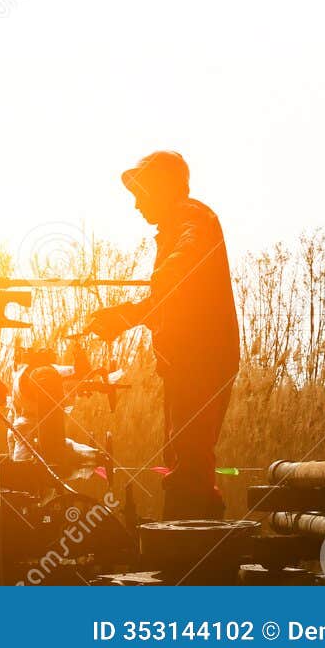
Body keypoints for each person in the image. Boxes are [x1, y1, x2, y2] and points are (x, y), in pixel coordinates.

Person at [86, 151, 239, 520]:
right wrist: (122, 316)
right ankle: (194, 538)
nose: (136, 204)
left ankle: (193, 547)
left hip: (201, 361)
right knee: (183, 454)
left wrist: (163, 275)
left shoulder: (194, 219)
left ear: (163, 188)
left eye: (141, 193)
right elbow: (164, 300)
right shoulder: (178, 225)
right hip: (186, 363)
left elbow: (182, 266)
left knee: (189, 457)